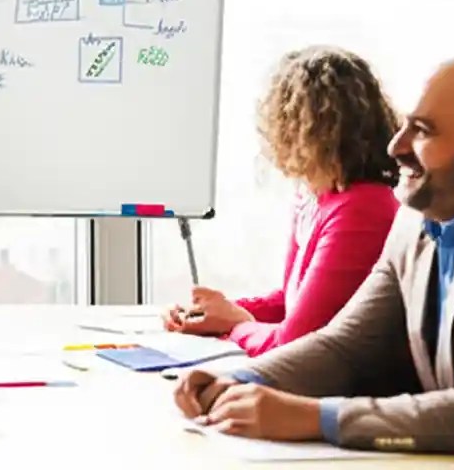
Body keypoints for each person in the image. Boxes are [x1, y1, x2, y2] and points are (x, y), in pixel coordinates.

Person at [173, 56, 454, 458]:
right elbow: (347, 344)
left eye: (422, 131)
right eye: (404, 125)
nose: (396, 147)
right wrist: (240, 379)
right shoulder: (415, 219)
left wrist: (318, 418)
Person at [161, 47, 401, 356]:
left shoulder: (363, 207)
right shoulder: (315, 196)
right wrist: (217, 311)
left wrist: (233, 323)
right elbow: (295, 301)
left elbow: (296, 342)